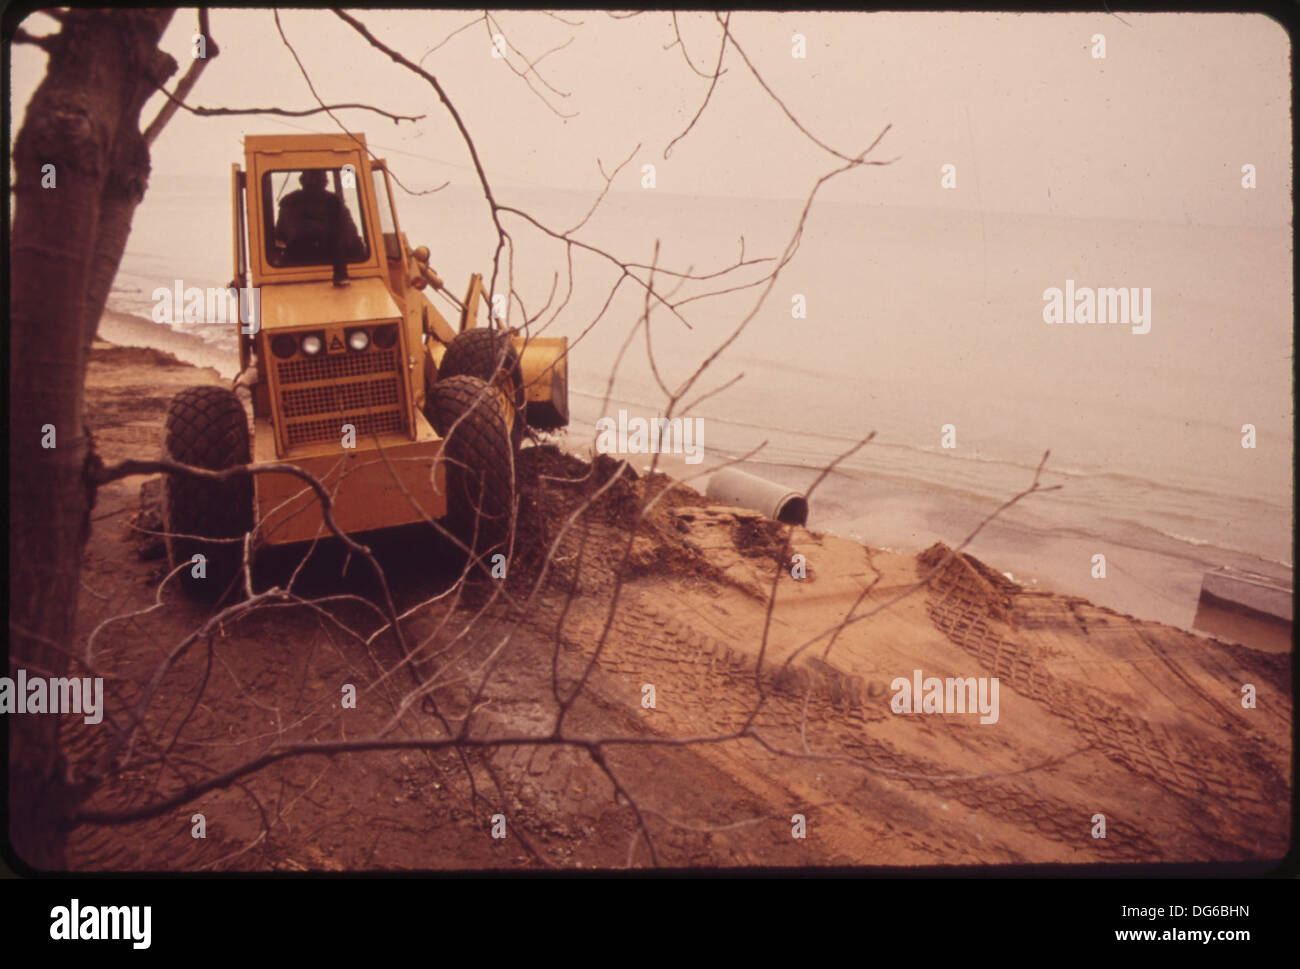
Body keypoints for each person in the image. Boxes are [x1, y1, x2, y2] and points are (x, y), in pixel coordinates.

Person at [274, 169, 366, 265]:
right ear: (325, 182)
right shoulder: (335, 202)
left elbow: (280, 234)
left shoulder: (289, 203)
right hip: (334, 261)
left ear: (302, 181)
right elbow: (351, 233)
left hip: (297, 263)